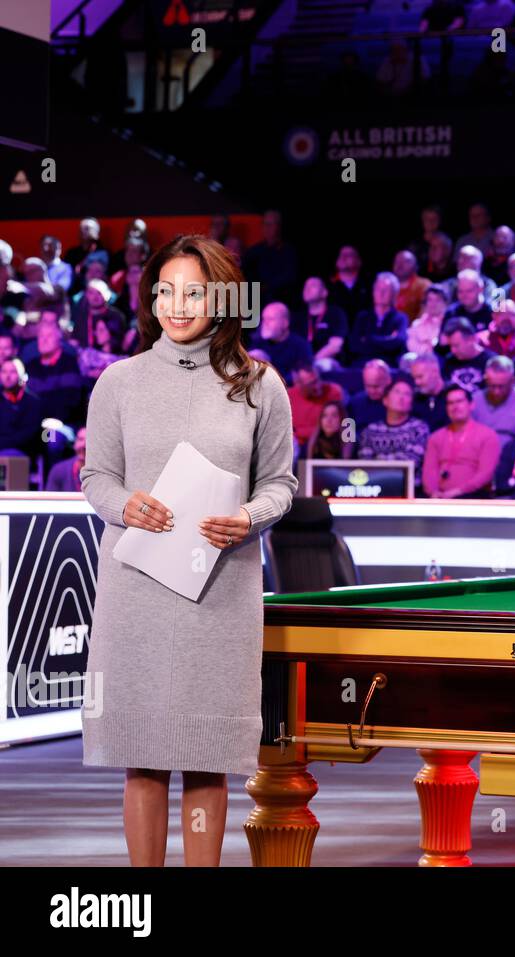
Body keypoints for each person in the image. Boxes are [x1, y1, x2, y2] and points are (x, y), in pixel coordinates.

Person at [79, 234, 297, 866]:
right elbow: (97, 477)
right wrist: (125, 505)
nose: (177, 305)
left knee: (207, 760)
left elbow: (280, 484)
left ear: (223, 296)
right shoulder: (118, 382)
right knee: (142, 760)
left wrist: (248, 518)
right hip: (136, 591)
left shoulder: (259, 384)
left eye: (194, 292)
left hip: (219, 594)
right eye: (165, 291)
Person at [422, 385, 501, 497]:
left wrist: (457, 492)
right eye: (450, 403)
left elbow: (485, 474)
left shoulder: (488, 436)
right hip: (439, 500)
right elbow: (429, 472)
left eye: (459, 401)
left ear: (471, 405)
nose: (455, 407)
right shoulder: (436, 437)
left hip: (474, 498)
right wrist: (433, 493)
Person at [46, 426, 87, 492]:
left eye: (89, 441)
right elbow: (50, 500)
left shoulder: (102, 471)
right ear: (74, 444)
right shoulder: (58, 470)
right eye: (80, 439)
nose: (84, 445)